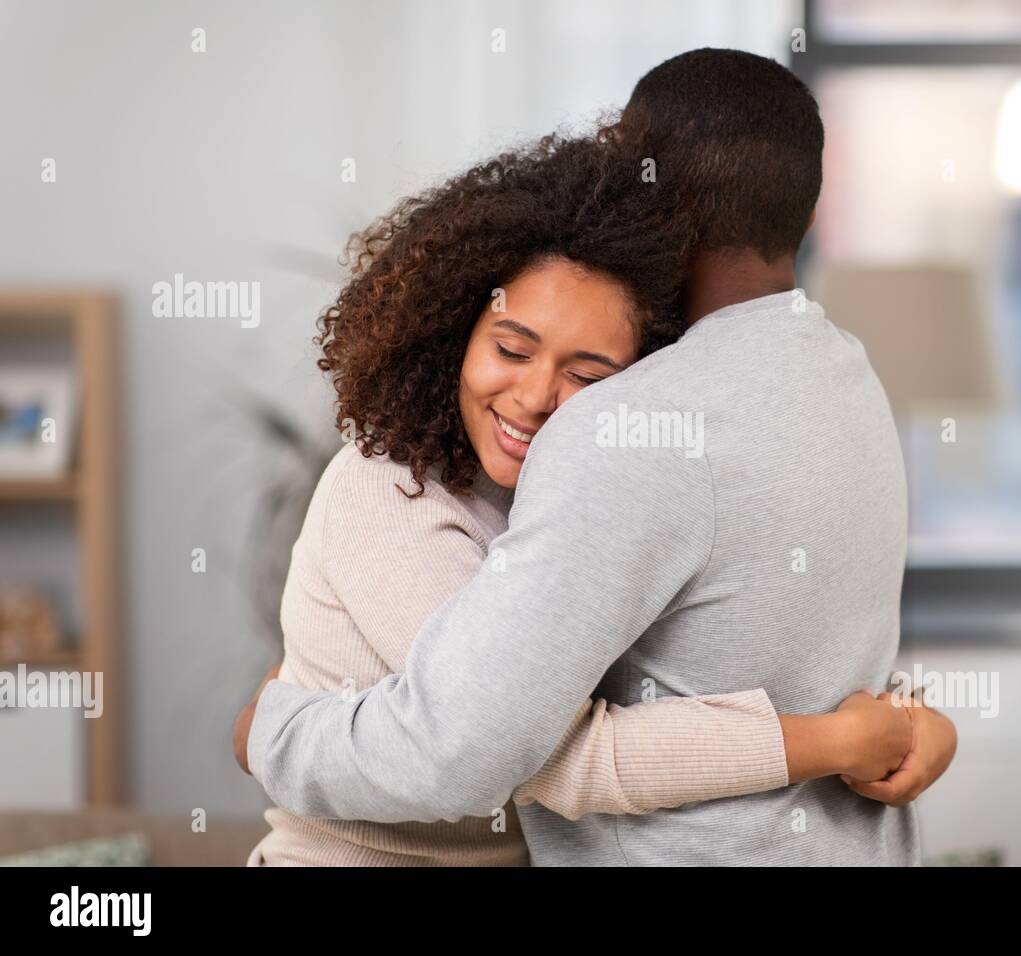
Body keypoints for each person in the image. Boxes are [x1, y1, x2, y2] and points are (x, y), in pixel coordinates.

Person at [244, 48, 957, 865]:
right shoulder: (851, 383)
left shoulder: (626, 428)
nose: (542, 394)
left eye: (586, 371)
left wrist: (270, 728)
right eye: (514, 345)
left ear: (643, 188)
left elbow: (471, 747)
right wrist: (883, 730)